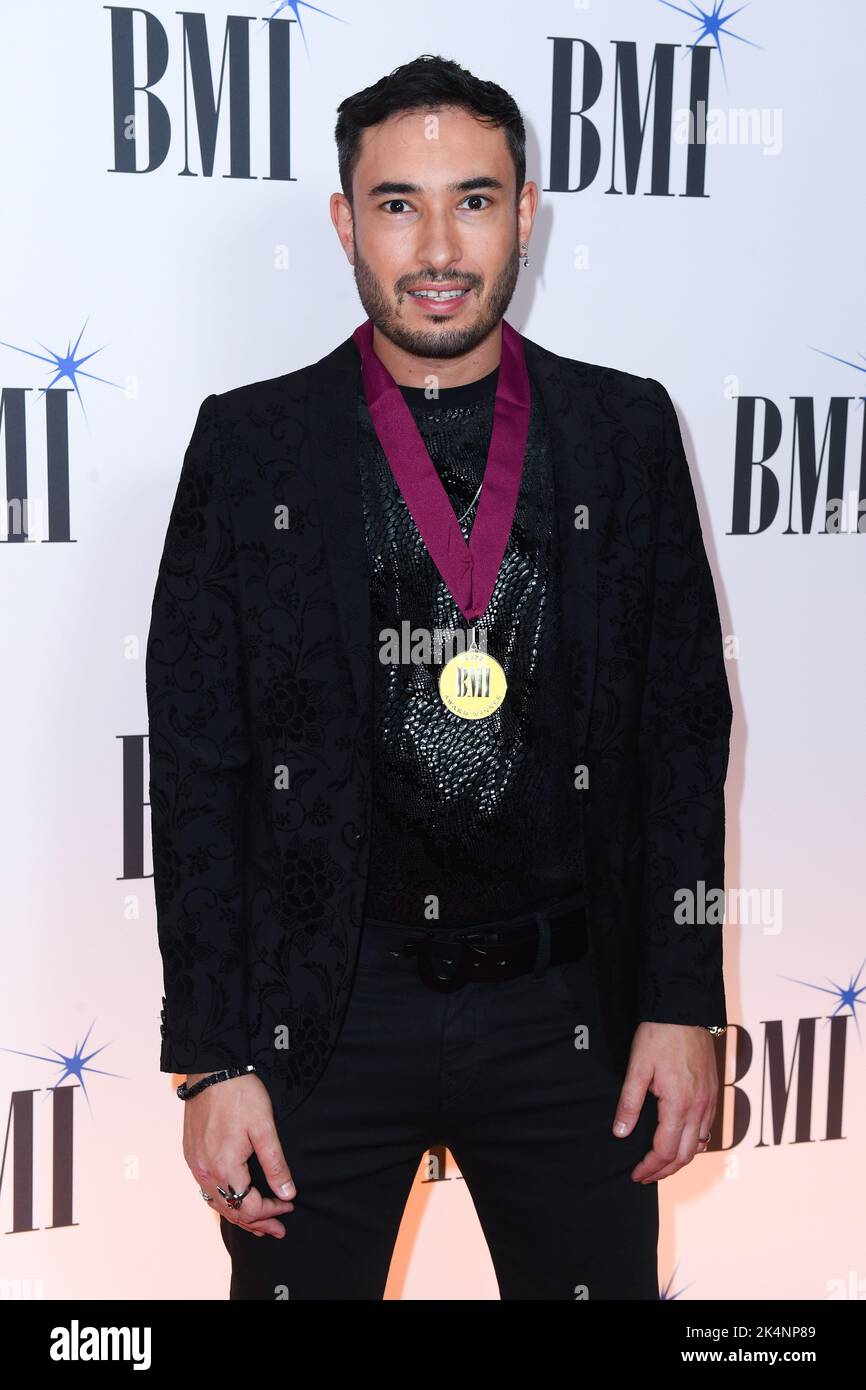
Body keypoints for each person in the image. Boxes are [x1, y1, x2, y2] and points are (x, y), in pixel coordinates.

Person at [145, 53, 733, 1300]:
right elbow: (198, 763)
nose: (436, 246)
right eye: (396, 202)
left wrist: (683, 1001)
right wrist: (210, 1060)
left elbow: (681, 735)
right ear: (343, 219)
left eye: (472, 199)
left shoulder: (623, 433)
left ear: (525, 213)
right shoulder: (250, 444)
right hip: (323, 1013)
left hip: (568, 1010)